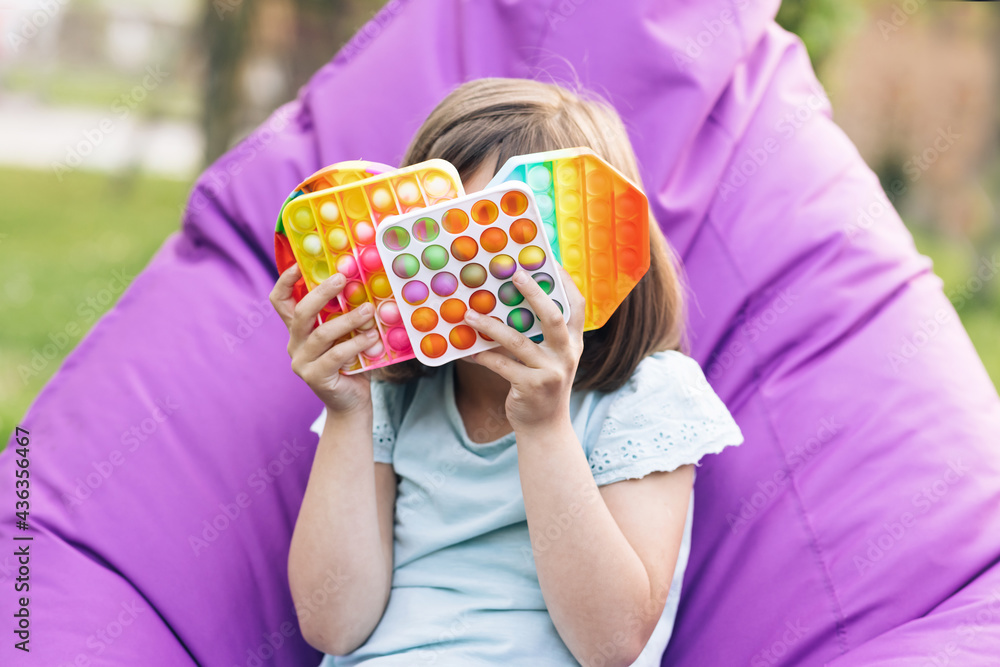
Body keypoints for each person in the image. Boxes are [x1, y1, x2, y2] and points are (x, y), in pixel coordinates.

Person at [269, 78, 744, 667]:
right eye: (437, 242)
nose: (465, 281)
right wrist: (346, 410)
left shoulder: (646, 397)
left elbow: (611, 644)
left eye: (504, 243)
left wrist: (545, 427)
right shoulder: (392, 400)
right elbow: (332, 626)